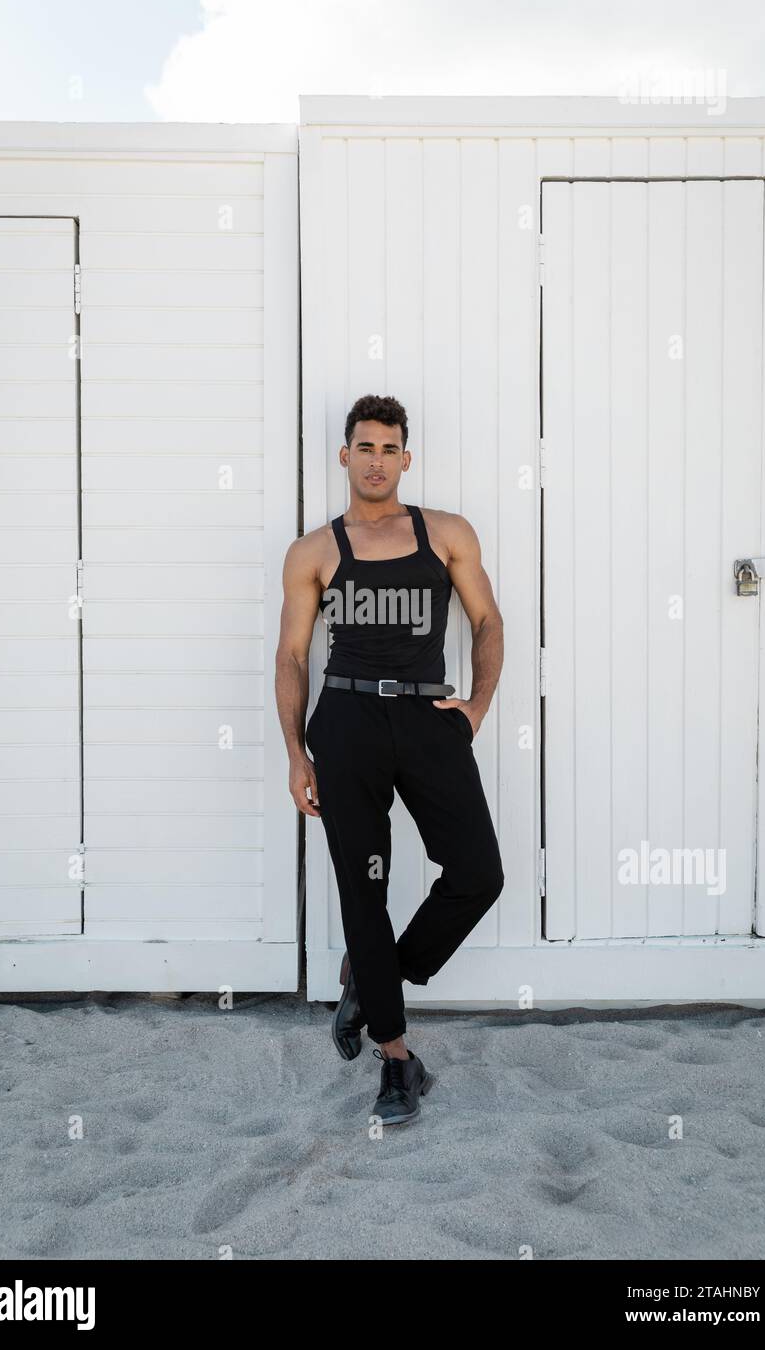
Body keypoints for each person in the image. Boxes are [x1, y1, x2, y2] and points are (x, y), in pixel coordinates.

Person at [275, 394, 505, 1125]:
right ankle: (398, 1062)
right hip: (345, 721)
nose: (376, 461)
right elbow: (290, 655)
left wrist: (476, 705)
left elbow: (488, 620)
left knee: (477, 874)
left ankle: (374, 980)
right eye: (364, 447)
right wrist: (294, 752)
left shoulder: (445, 534)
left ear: (406, 459)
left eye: (389, 449)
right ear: (344, 456)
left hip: (427, 713)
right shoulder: (314, 550)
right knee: (362, 888)